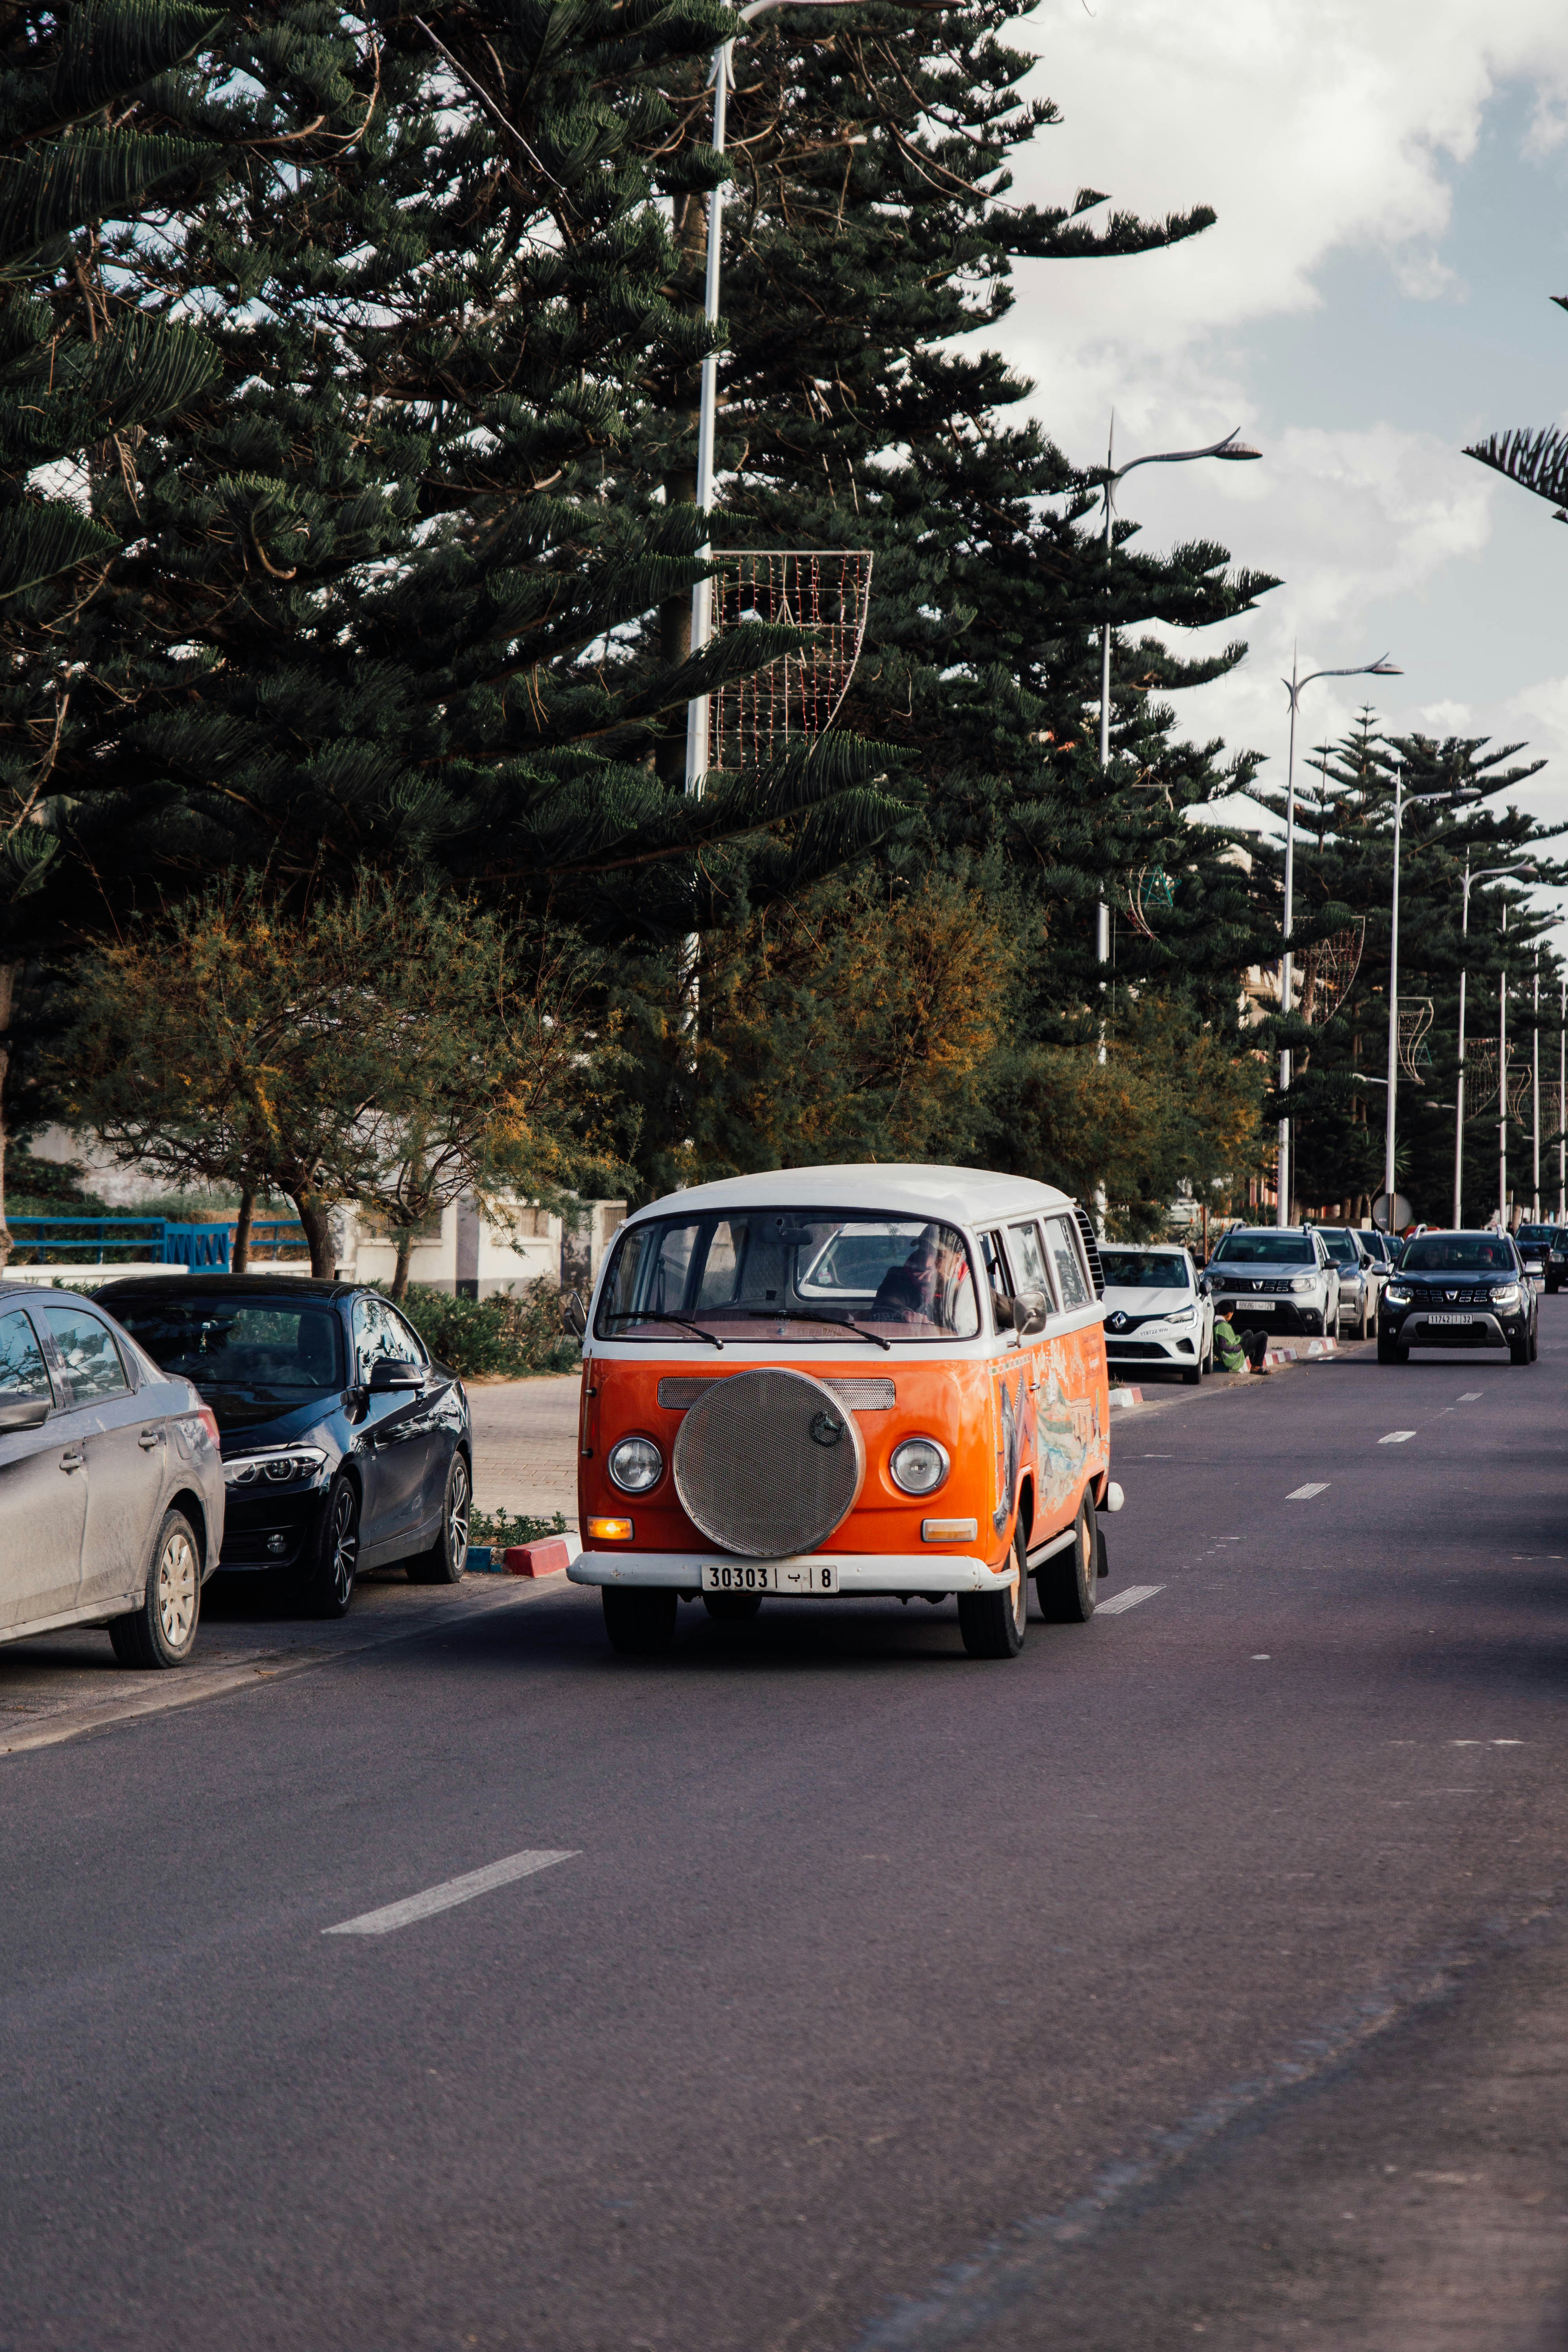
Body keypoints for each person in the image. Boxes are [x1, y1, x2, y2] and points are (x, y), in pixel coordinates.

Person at [1212, 1310, 1269, 1375]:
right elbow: (1223, 1347)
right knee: (1264, 1335)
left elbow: (1230, 1341)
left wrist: (1239, 1339)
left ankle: (1254, 1365)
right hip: (1233, 1356)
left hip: (1231, 1348)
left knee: (1249, 1333)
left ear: (1218, 1311)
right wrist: (1237, 1348)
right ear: (1229, 1314)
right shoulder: (1222, 1325)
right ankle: (1257, 1367)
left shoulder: (1217, 1321)